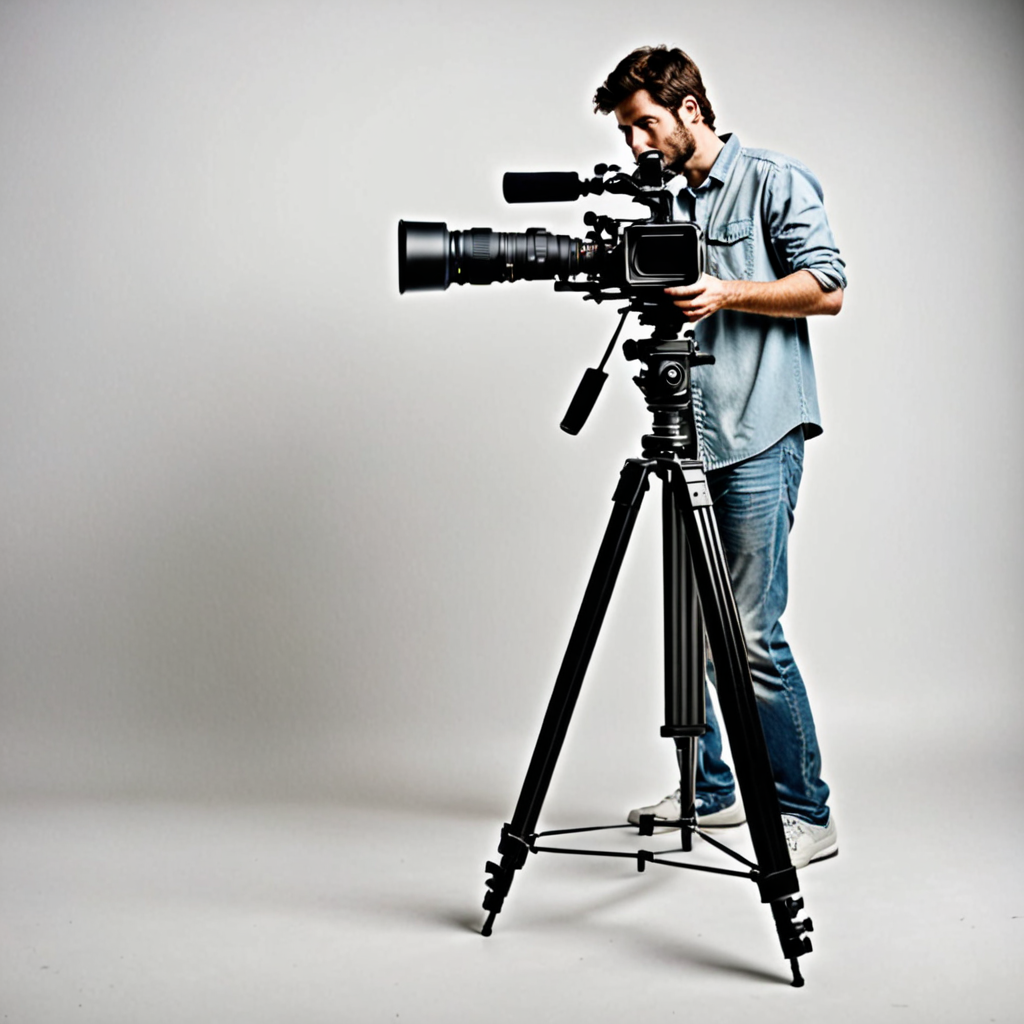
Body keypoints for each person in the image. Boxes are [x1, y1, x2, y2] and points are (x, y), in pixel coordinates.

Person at [593, 46, 846, 869]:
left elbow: (830, 285)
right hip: (690, 432)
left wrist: (725, 289)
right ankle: (710, 792)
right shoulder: (657, 195)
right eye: (628, 131)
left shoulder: (772, 180)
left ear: (690, 108)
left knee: (748, 632)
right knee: (690, 626)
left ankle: (806, 811)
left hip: (758, 435)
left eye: (644, 125)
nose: (635, 145)